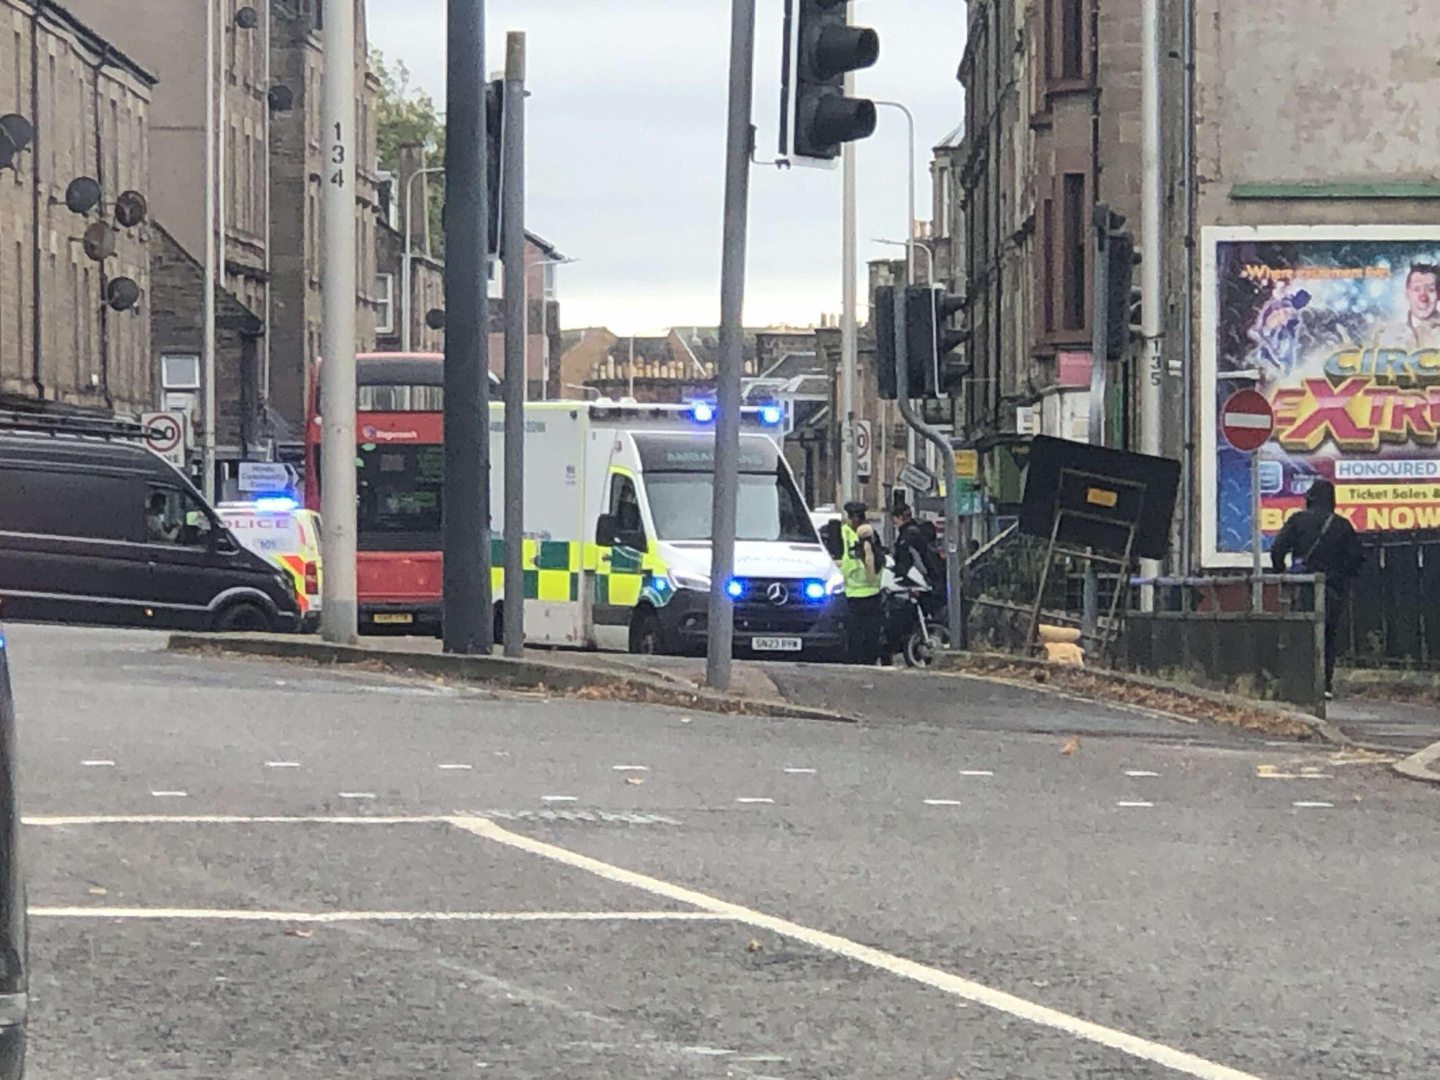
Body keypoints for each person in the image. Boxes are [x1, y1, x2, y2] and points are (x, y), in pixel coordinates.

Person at [1271, 479, 1364, 700]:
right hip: (1331, 589)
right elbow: (1356, 560)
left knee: (1299, 635)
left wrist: (1283, 574)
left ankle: (1298, 683)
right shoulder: (1342, 525)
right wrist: (1337, 577)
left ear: (1309, 499)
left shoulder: (1297, 521)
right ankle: (1325, 685)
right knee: (1327, 637)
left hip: (1301, 586)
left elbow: (1277, 549)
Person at [839, 500, 884, 665]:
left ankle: (864, 662)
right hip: (863, 593)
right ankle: (864, 662)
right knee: (863, 635)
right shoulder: (866, 534)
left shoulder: (847, 534)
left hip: (860, 593)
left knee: (863, 635)